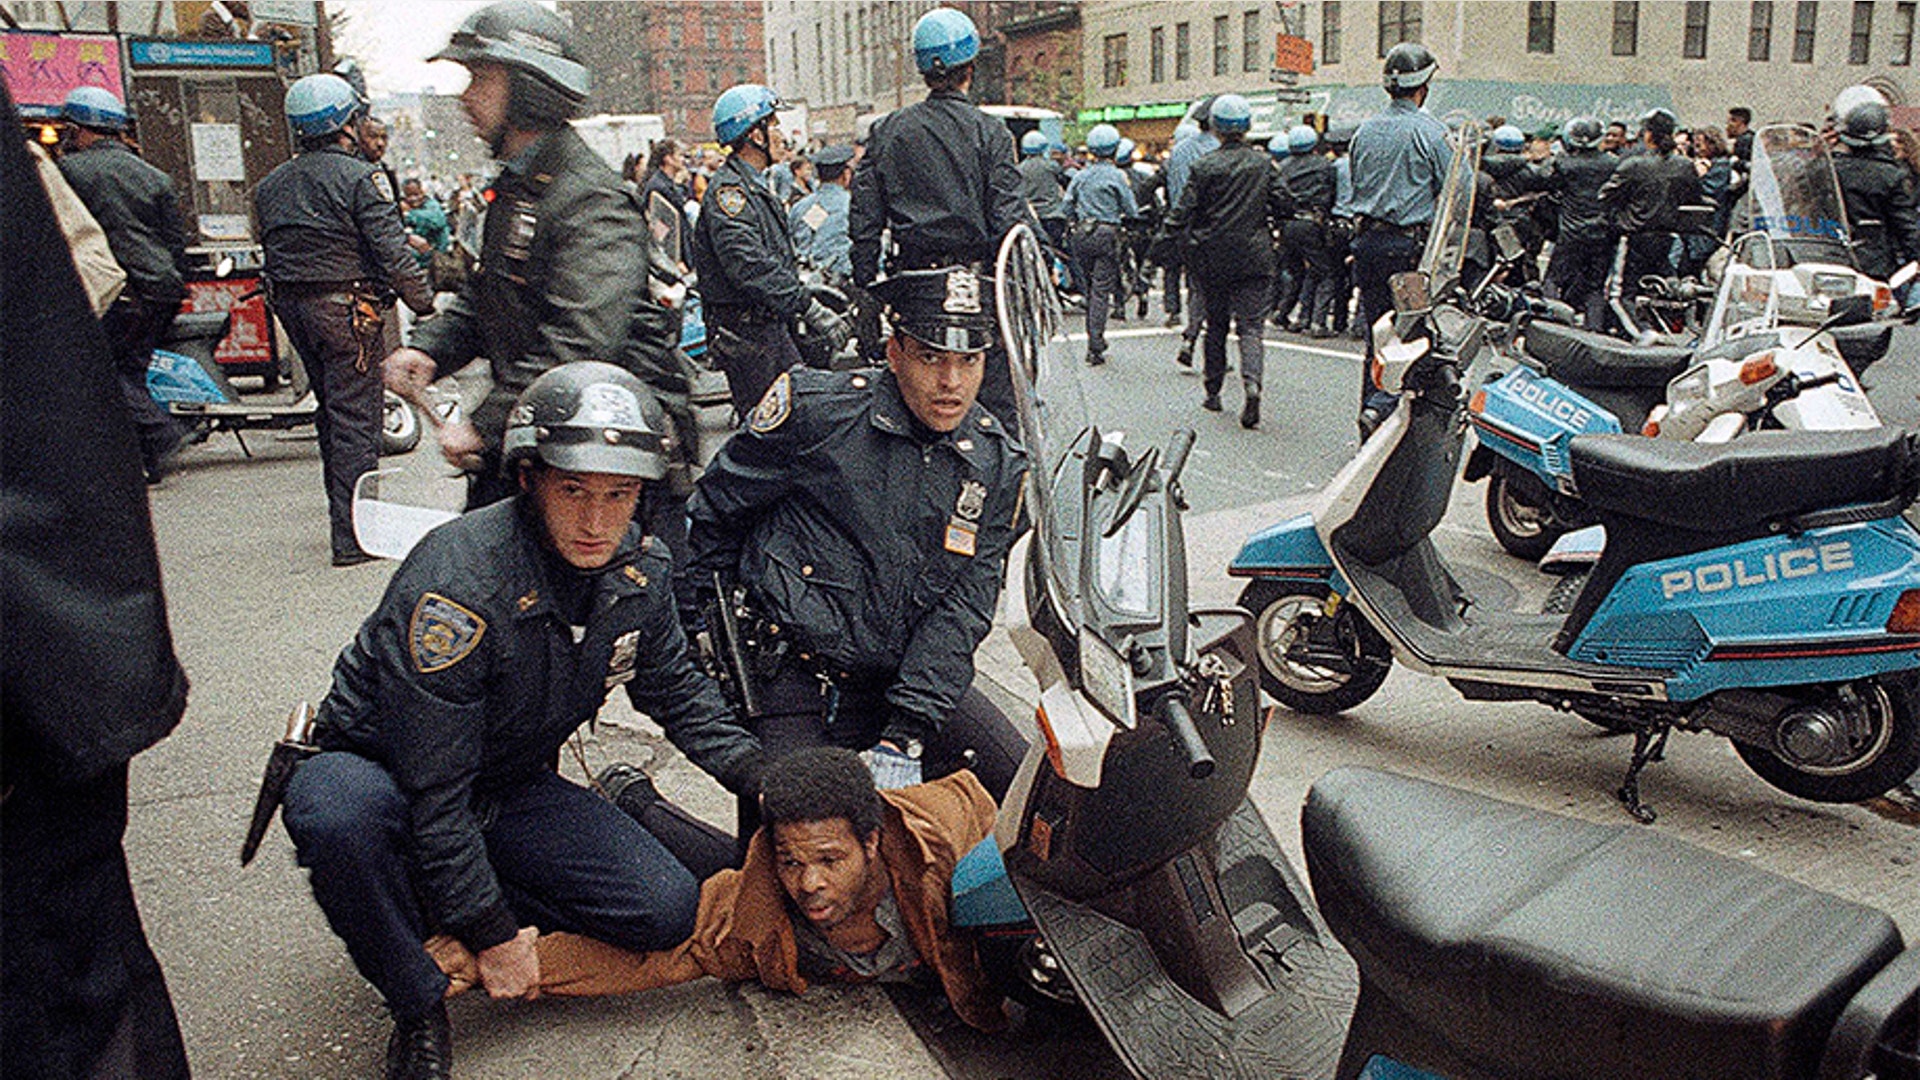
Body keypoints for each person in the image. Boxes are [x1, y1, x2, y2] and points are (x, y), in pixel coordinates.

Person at [279, 363, 767, 1080]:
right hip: (389, 772)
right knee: (337, 817)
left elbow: (676, 692)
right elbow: (434, 786)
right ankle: (415, 999)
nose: (598, 520)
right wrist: (493, 934)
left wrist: (767, 776)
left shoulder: (637, 569)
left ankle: (440, 907)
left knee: (665, 910)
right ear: (530, 479)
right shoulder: (460, 585)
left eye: (620, 495)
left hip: (504, 780)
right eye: (575, 491)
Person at [684, 265, 1029, 845]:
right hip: (794, 674)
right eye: (930, 357)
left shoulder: (995, 460)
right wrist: (706, 638)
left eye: (968, 361)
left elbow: (965, 605)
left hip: (898, 677)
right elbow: (714, 512)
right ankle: (638, 803)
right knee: (798, 848)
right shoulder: (818, 411)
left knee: (1030, 795)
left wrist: (908, 729)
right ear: (894, 352)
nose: (951, 382)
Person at [2, 84, 192, 1080]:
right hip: (54, 624)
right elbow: (119, 268)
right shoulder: (130, 174)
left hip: (33, 640)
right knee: (86, 977)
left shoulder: (64, 169)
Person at [426, 748, 1009, 1030]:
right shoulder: (757, 912)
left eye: (831, 859)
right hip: (735, 881)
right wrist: (496, 959)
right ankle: (635, 799)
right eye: (791, 861)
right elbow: (651, 962)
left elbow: (1013, 837)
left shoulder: (947, 843)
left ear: (872, 843)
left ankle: (635, 799)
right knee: (703, 884)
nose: (809, 884)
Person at [384, 0, 676, 512]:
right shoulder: (522, 188)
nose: (466, 99)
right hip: (548, 443)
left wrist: (484, 424)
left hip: (606, 466)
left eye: (481, 80)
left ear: (529, 89)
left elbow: (582, 339)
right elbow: (489, 294)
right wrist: (430, 350)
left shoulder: (588, 199)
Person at [255, 73, 433, 567]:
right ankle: (355, 535)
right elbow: (393, 252)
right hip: (350, 311)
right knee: (357, 417)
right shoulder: (361, 178)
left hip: (294, 309)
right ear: (346, 123)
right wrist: (425, 303)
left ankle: (345, 519)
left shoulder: (271, 185)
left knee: (332, 412)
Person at [849, 6, 1026, 423]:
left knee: (913, 400)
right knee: (993, 403)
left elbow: (864, 220)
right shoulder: (991, 131)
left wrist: (865, 290)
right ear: (970, 67)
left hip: (914, 286)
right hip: (975, 286)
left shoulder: (888, 130)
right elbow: (1009, 220)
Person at [54, 85, 190, 485]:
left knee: (100, 370)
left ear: (82, 129)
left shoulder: (70, 173)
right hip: (160, 288)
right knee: (131, 370)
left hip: (117, 291)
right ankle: (144, 458)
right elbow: (175, 241)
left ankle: (160, 434)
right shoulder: (155, 176)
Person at [691, 83, 848, 419]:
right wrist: (809, 307)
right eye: (773, 124)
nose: (781, 134)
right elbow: (750, 266)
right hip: (749, 338)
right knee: (766, 433)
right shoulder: (729, 195)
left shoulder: (754, 186)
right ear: (755, 135)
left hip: (769, 330)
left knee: (799, 414)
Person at [1163, 94, 1289, 430]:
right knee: (1251, 328)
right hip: (1255, 256)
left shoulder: (1204, 166)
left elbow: (1183, 210)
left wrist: (1166, 241)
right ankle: (1252, 384)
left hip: (1213, 258)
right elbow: (1285, 203)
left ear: (1215, 128)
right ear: (1247, 127)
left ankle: (1213, 390)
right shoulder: (1263, 165)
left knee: (1216, 327)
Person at [1347, 42, 1452, 434]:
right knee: (1411, 338)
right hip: (1409, 249)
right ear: (1423, 85)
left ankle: (1370, 417)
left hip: (1367, 244)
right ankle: (1387, 412)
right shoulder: (1432, 132)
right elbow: (1460, 191)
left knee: (1376, 335)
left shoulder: (1364, 131)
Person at [1598, 107, 1702, 324]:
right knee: (1658, 287)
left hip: (1634, 235)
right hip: (1667, 235)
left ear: (1648, 134)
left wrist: (1621, 215)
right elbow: (1694, 198)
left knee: (1620, 295)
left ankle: (1640, 332)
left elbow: (1605, 195)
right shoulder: (1684, 166)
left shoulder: (1634, 165)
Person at [1527, 115, 1619, 328]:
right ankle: (1594, 328)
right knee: (1595, 286)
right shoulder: (1613, 163)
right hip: (1601, 233)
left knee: (1553, 279)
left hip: (1571, 232)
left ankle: (1548, 324)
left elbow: (1543, 181)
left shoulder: (1565, 164)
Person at [1828, 86, 1920, 288]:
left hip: (1824, 256)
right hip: (1873, 265)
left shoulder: (1826, 168)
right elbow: (1907, 227)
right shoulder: (1892, 175)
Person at [1064, 123, 1140, 366]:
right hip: (1107, 235)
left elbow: (1066, 206)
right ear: (1115, 149)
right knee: (1100, 290)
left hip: (1082, 236)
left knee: (1089, 288)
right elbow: (1131, 209)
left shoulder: (1080, 175)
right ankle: (1095, 342)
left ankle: (1093, 337)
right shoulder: (1117, 176)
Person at [1165, 104, 1221, 366]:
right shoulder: (1218, 151)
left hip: (1187, 229)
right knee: (1222, 292)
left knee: (1196, 287)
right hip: (1218, 229)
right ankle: (1214, 350)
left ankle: (1190, 336)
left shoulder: (1178, 151)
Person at [1275, 124, 1338, 337]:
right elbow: (1331, 195)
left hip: (1287, 225)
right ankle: (1317, 322)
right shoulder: (1324, 165)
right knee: (1325, 272)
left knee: (1295, 272)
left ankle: (1284, 313)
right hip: (1311, 224)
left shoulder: (1282, 167)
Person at [788, 143, 856, 281]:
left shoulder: (801, 207)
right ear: (846, 174)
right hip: (845, 282)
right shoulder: (853, 204)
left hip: (806, 282)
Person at [1016, 128, 1072, 289]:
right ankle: (1079, 290)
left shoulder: (1019, 169)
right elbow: (1067, 184)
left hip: (1032, 219)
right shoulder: (1051, 167)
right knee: (1066, 254)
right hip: (1053, 217)